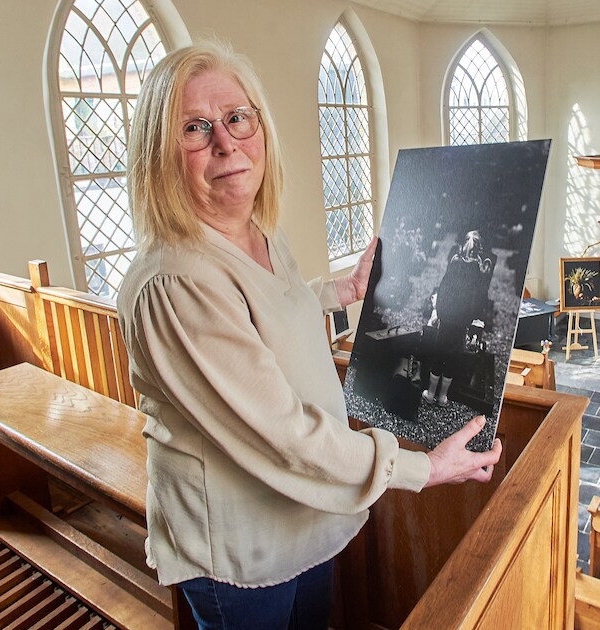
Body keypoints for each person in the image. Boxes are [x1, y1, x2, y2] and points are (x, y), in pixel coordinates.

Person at [117, 42, 501, 630]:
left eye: (237, 118)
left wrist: (339, 291)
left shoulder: (256, 233)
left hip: (309, 514)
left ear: (260, 126)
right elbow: (284, 434)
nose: (226, 142)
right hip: (245, 551)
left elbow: (274, 304)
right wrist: (423, 469)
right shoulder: (176, 282)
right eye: (195, 128)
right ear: (157, 153)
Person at [420, 230, 494, 406]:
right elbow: (478, 297)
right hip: (462, 322)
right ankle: (443, 397)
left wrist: (439, 311)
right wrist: (471, 318)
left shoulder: (454, 261)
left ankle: (430, 394)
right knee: (454, 356)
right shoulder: (478, 268)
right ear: (478, 249)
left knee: (440, 353)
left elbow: (444, 288)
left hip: (447, 318)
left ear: (463, 245)